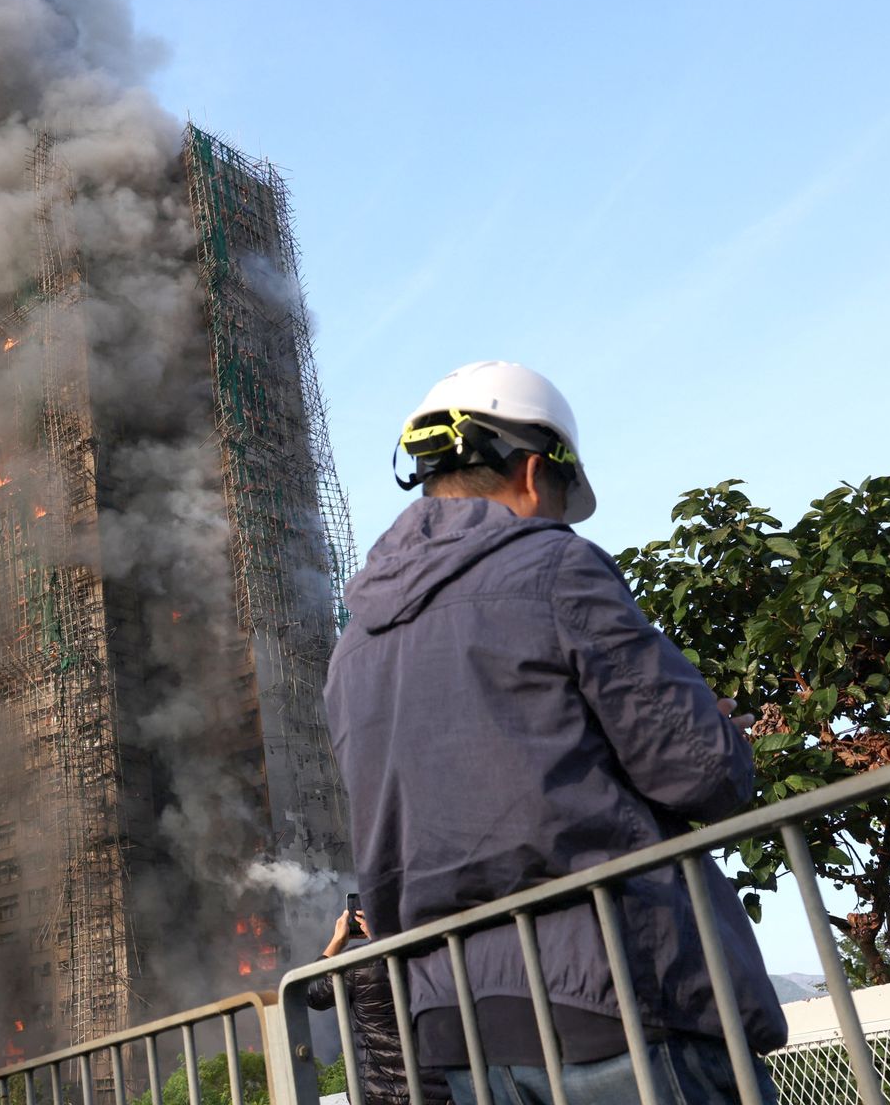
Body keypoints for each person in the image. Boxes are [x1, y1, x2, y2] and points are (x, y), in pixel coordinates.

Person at [324, 362, 787, 1104]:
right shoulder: (555, 567)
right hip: (616, 994)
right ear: (537, 473)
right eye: (564, 502)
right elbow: (705, 775)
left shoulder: (354, 646)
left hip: (457, 1027)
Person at [303, 908, 452, 1105]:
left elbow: (313, 994)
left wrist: (337, 942)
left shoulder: (358, 963)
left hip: (377, 1093)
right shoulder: (444, 951)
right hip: (439, 1091)